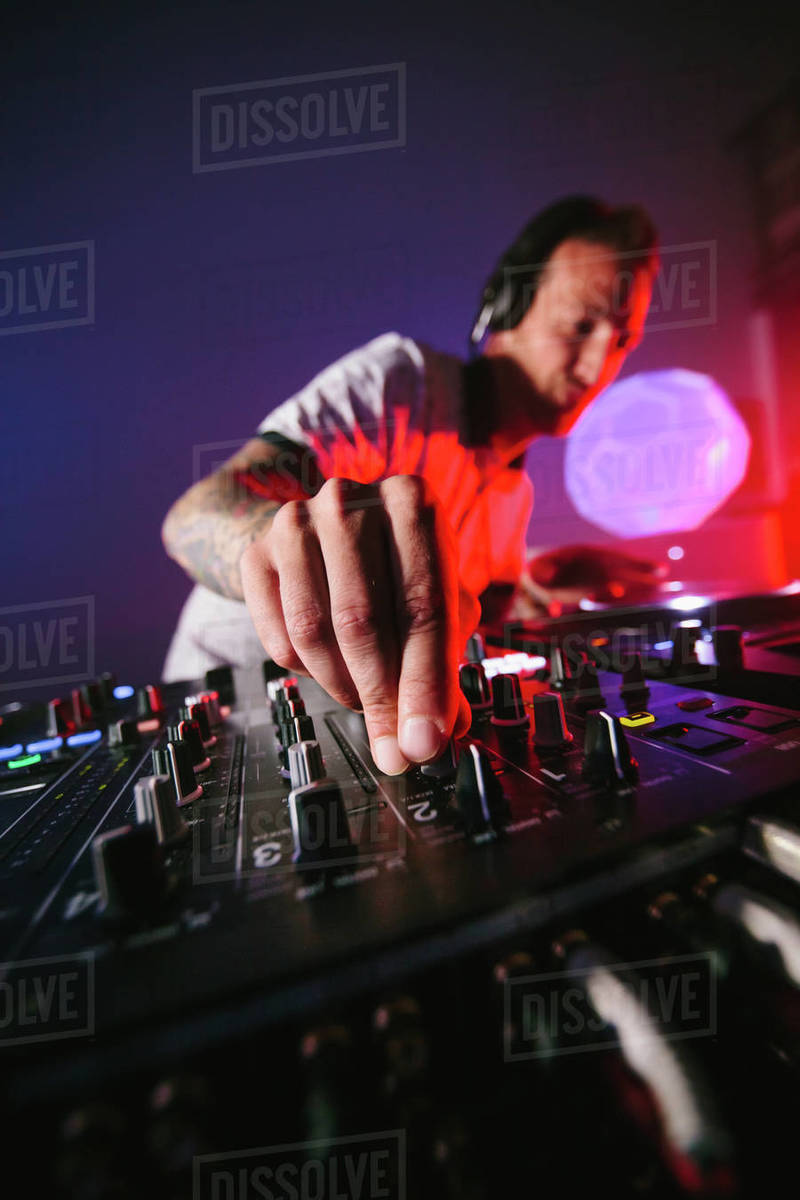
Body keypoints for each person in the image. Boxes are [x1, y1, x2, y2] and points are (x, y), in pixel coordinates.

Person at [161, 195, 660, 775]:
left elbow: (467, 612)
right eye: (581, 323)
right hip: (220, 708)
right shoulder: (401, 382)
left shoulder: (514, 495)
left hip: (355, 743)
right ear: (506, 305)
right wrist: (304, 562)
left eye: (622, 340)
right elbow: (200, 513)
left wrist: (535, 582)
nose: (597, 364)